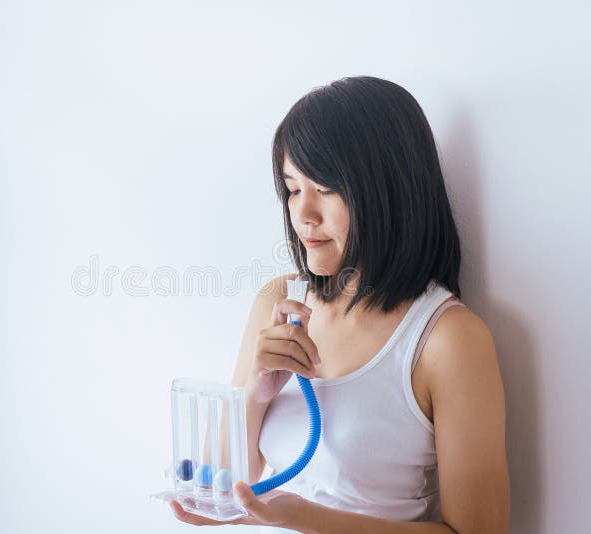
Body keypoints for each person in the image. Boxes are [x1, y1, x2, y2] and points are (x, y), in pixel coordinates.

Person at [170, 76, 510, 533]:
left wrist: (308, 519)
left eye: (326, 189)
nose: (303, 214)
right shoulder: (279, 302)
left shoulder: (448, 340)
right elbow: (214, 494)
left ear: (388, 190)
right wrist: (254, 392)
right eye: (292, 189)